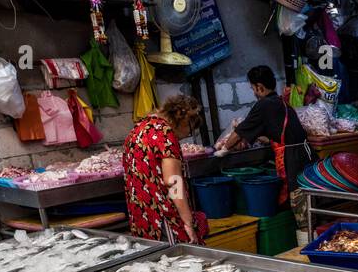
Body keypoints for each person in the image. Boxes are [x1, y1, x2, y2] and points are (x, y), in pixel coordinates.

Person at [217, 65, 309, 203]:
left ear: (259, 87)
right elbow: (276, 132)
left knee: (299, 200)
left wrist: (224, 149)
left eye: (252, 88)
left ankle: (304, 218)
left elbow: (239, 132)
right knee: (306, 195)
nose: (253, 92)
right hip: (304, 154)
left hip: (292, 159)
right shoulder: (280, 101)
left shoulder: (264, 104)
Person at [122, 94, 206, 244]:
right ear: (183, 119)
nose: (188, 134)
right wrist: (188, 222)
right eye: (190, 129)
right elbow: (173, 181)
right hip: (164, 218)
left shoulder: (138, 128)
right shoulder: (165, 133)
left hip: (141, 217)